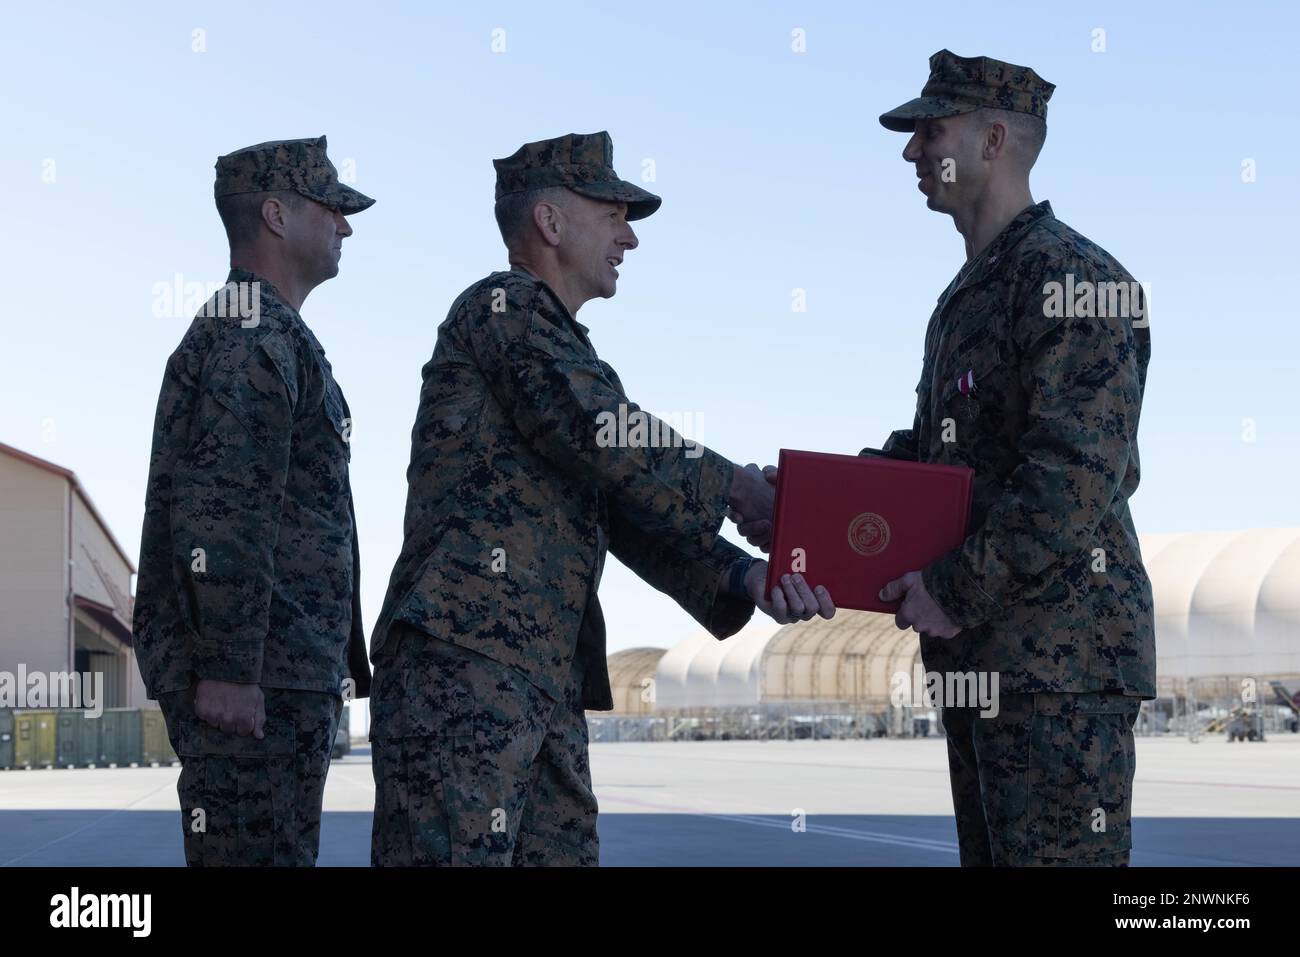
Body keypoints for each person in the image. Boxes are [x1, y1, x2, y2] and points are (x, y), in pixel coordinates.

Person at [368, 130, 833, 867]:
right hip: (466, 663)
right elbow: (601, 433)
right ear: (549, 222)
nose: (630, 238)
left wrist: (743, 573)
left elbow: (619, 501)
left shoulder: (570, 352)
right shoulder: (501, 307)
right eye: (614, 213)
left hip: (539, 672)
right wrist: (737, 488)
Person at [869, 51, 1153, 866]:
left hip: (1055, 667)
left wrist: (955, 586)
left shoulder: (1078, 279)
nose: (911, 151)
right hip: (986, 660)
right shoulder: (973, 293)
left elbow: (1071, 475)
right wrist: (810, 498)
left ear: (993, 140)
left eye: (931, 129)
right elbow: (939, 461)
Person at [132, 136, 374, 866]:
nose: (346, 225)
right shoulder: (252, 332)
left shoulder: (273, 331)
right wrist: (233, 670)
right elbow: (225, 510)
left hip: (279, 681)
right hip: (254, 690)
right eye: (331, 207)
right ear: (276, 213)